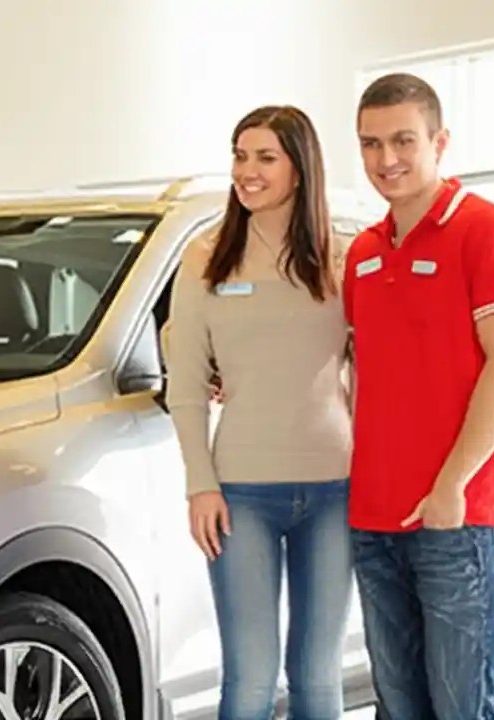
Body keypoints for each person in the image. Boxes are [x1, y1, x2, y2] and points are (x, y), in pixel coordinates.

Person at [344, 72, 494, 719]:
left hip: (457, 519)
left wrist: (452, 484)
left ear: (440, 141)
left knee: (463, 710)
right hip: (373, 520)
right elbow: (351, 368)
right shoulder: (364, 254)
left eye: (403, 140)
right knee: (398, 709)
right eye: (371, 144)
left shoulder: (488, 232)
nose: (386, 159)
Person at [162, 105, 354, 719]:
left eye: (265, 157)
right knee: (249, 676)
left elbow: (375, 373)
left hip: (337, 488)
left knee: (317, 676)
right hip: (240, 492)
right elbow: (187, 384)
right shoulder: (206, 258)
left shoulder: (342, 258)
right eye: (240, 155)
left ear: (300, 168)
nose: (247, 171)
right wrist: (200, 486)